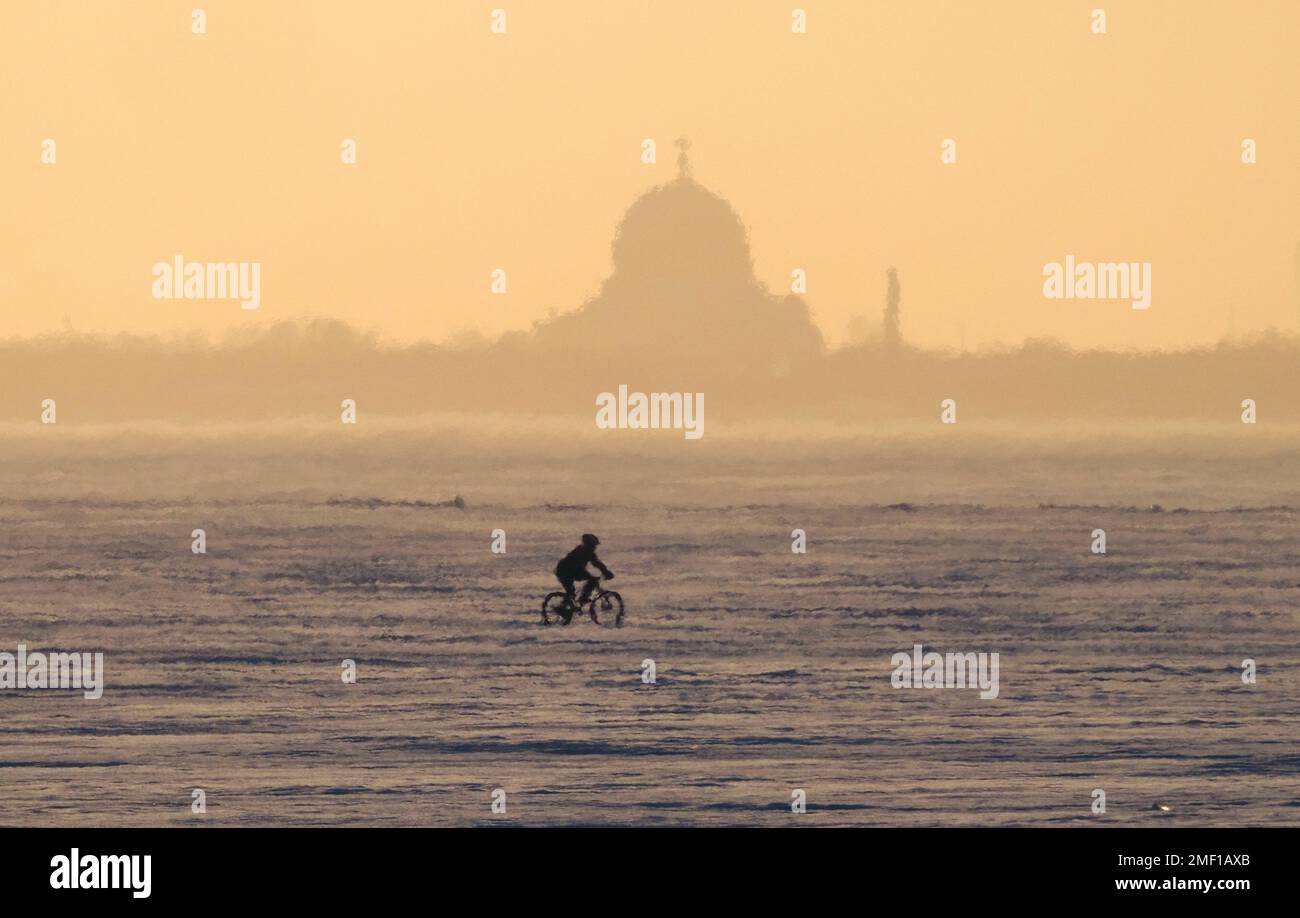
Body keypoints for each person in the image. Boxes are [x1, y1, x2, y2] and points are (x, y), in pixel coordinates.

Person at [555, 534, 614, 617]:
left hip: (569, 570)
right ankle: (566, 607)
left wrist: (605, 571)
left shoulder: (582, 550)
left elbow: (596, 563)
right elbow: (596, 563)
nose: (594, 548)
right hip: (566, 571)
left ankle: (575, 603)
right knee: (574, 590)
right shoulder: (586, 551)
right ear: (589, 545)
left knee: (575, 590)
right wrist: (606, 572)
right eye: (593, 545)